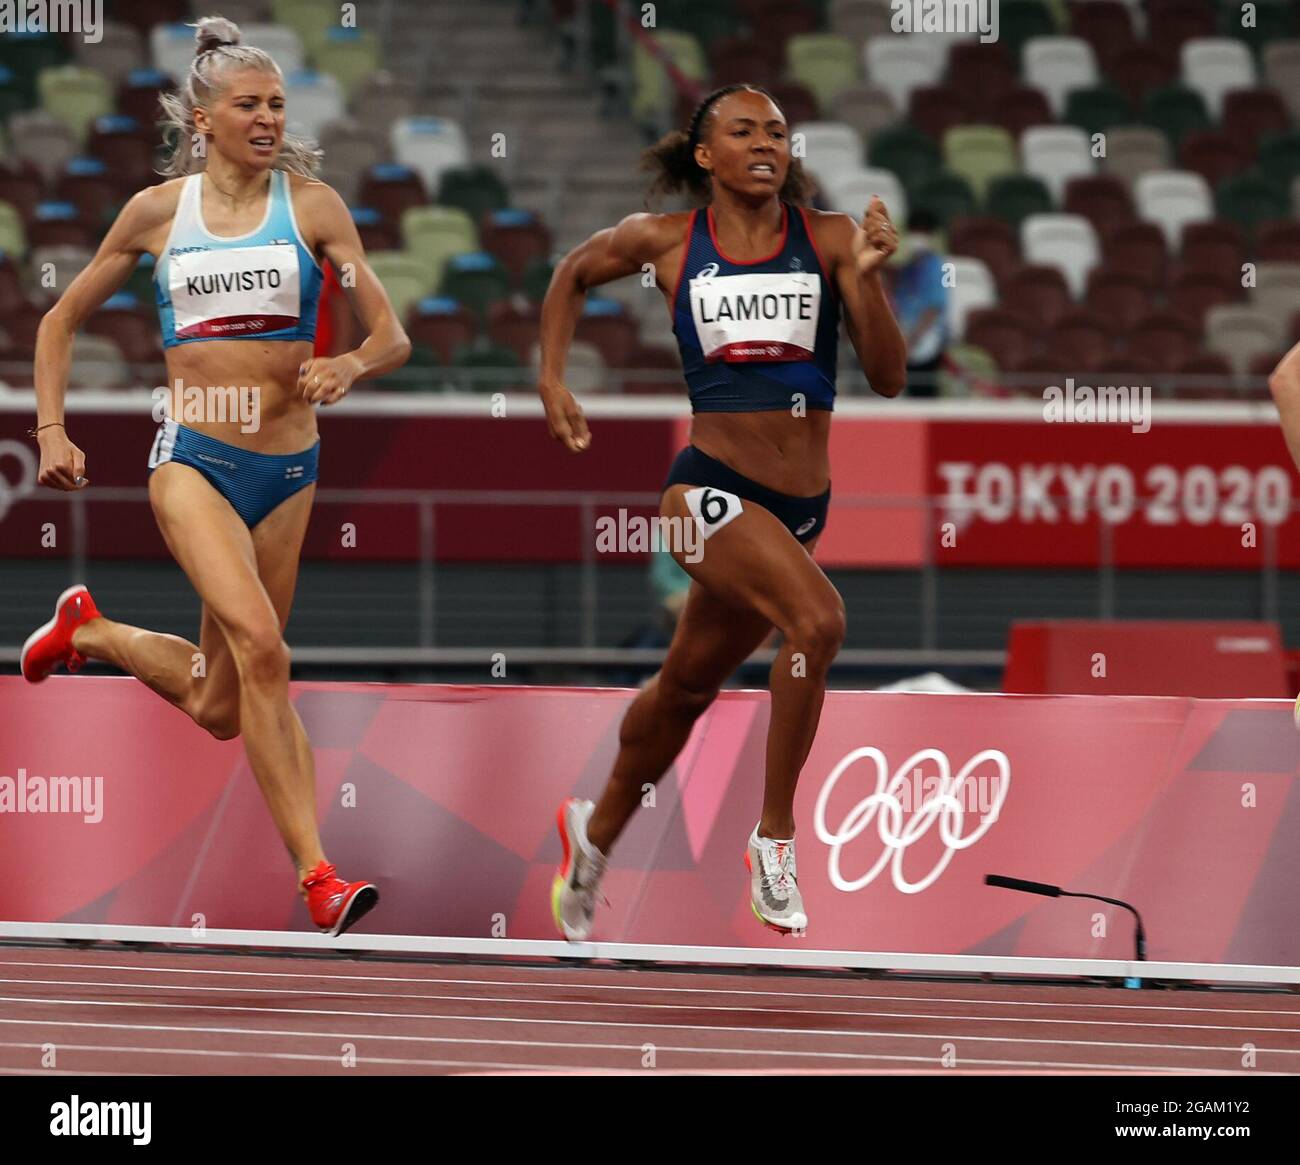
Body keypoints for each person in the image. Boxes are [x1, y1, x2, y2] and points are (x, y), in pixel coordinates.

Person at [20, 16, 411, 936]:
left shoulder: (313, 207)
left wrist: (348, 365)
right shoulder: (160, 212)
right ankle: (318, 875)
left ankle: (93, 631)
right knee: (265, 651)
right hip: (192, 461)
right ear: (204, 118)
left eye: (278, 103)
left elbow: (389, 333)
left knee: (219, 702)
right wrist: (51, 429)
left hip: (291, 471)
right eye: (249, 105)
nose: (269, 117)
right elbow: (58, 322)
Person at [538, 84, 906, 941]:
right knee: (818, 621)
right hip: (702, 493)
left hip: (798, 510)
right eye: (743, 131)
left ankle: (590, 841)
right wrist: (553, 377)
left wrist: (869, 283)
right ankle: (774, 838)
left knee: (687, 686)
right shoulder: (664, 244)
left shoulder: (833, 240)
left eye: (776, 130)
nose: (766, 142)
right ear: (707, 155)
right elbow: (571, 275)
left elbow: (888, 376)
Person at [883, 208, 949, 398]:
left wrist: (911, 342)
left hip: (924, 343)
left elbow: (934, 309)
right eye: (915, 231)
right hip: (903, 339)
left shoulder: (939, 266)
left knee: (922, 395)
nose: (918, 237)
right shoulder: (905, 267)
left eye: (924, 232)